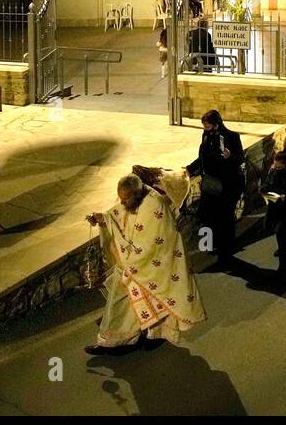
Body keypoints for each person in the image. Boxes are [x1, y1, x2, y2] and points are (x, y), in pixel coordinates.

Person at [84, 173, 206, 354]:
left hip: (157, 264)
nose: (123, 202)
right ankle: (114, 341)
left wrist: (129, 261)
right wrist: (103, 218)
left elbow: (151, 245)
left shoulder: (154, 206)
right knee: (121, 300)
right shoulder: (134, 199)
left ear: (136, 194)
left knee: (157, 299)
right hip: (137, 264)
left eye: (126, 199)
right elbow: (119, 213)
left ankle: (152, 335)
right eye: (121, 198)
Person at [186, 110, 245, 264]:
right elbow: (203, 158)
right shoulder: (206, 136)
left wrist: (229, 157)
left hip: (228, 184)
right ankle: (211, 245)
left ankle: (226, 251)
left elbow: (240, 158)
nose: (205, 127)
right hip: (211, 183)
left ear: (216, 124)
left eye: (207, 124)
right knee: (209, 215)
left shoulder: (232, 137)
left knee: (225, 217)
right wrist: (190, 169)